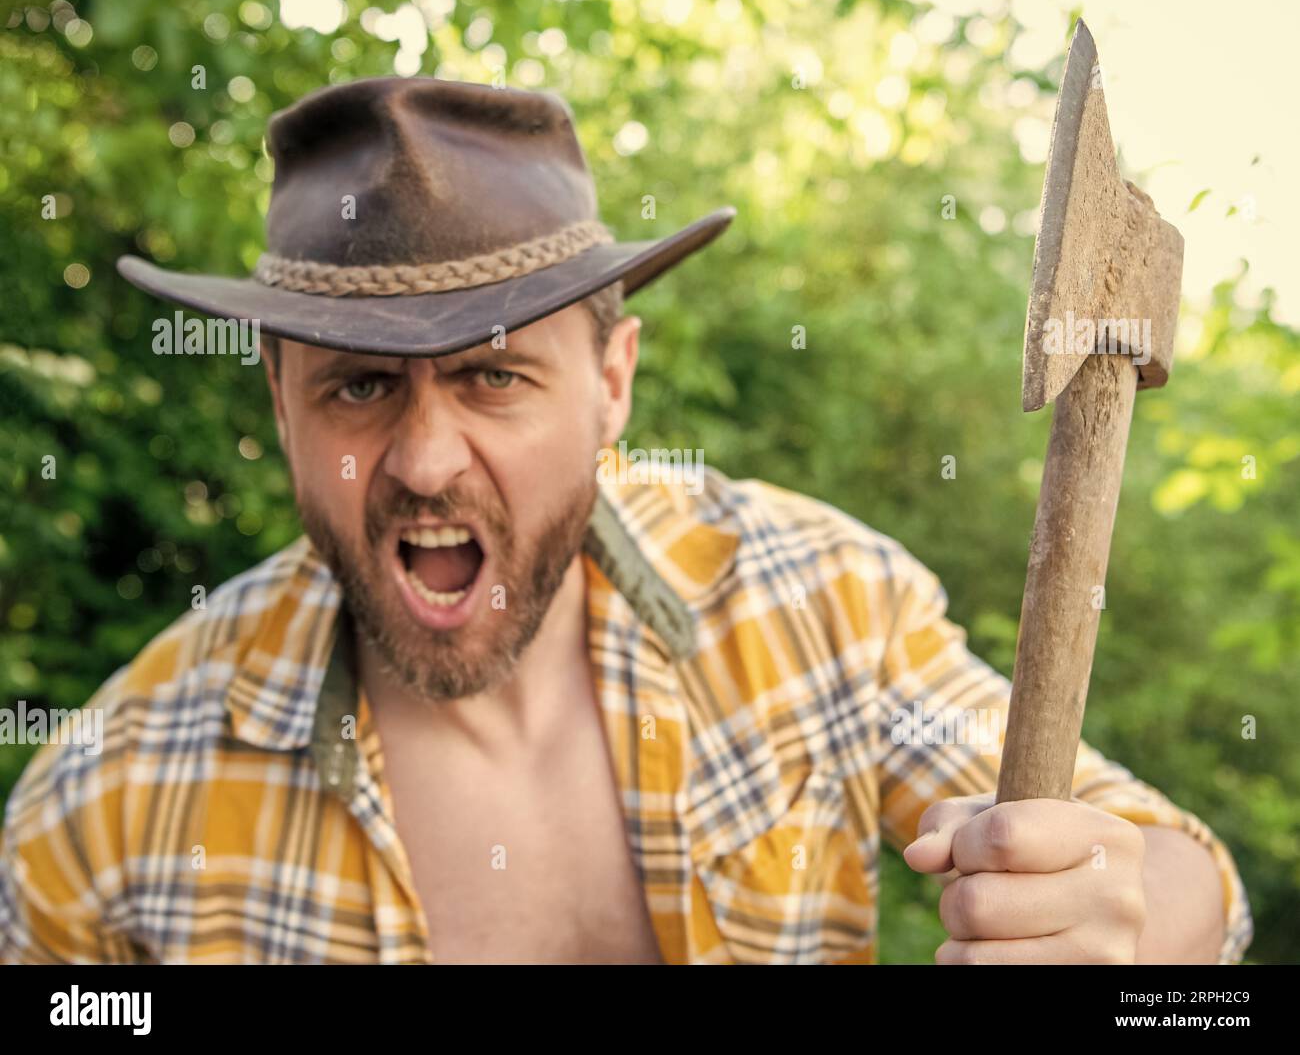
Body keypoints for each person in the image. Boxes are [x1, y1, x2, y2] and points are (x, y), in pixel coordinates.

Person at [0, 77, 1252, 964]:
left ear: (612, 384)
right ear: (279, 403)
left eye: (495, 376)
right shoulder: (112, 795)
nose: (427, 461)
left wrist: (1123, 917)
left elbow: (1177, 875)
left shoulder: (813, 601)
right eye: (359, 385)